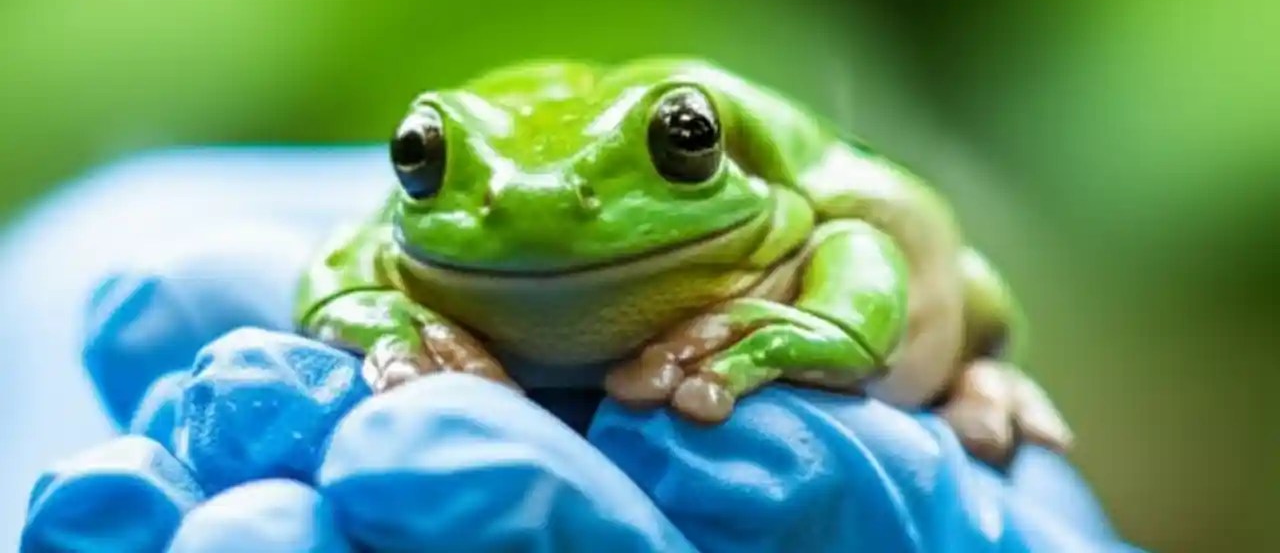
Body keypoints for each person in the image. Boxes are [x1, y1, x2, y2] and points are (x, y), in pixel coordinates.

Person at [4, 148, 1142, 552]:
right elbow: (343, 270)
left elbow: (879, 239)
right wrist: (383, 323)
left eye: (682, 147)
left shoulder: (785, 214)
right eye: (423, 160)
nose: (537, 207)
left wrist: (817, 333)